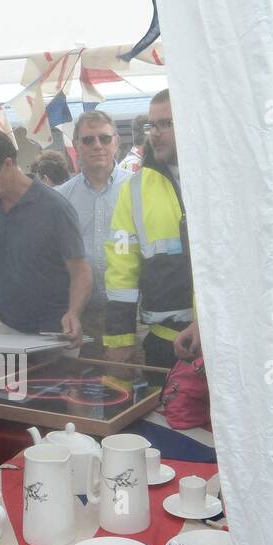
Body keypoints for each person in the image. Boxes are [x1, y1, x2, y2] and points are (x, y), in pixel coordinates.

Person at [103, 89, 194, 369]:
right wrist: (120, 340)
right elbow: (121, 272)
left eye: (166, 124)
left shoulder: (226, 177)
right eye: (152, 125)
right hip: (164, 344)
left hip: (228, 338)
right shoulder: (134, 189)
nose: (155, 133)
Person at [0, 127, 89, 347]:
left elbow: (80, 271)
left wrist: (74, 313)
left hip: (53, 331)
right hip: (1, 326)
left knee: (52, 382)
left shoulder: (55, 207)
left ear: (8, 164)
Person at [56, 110, 133, 358]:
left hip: (130, 315)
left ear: (117, 143)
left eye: (104, 138)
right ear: (76, 145)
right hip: (80, 317)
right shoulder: (60, 198)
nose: (97, 145)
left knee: (130, 389)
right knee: (81, 389)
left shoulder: (138, 189)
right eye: (88, 140)